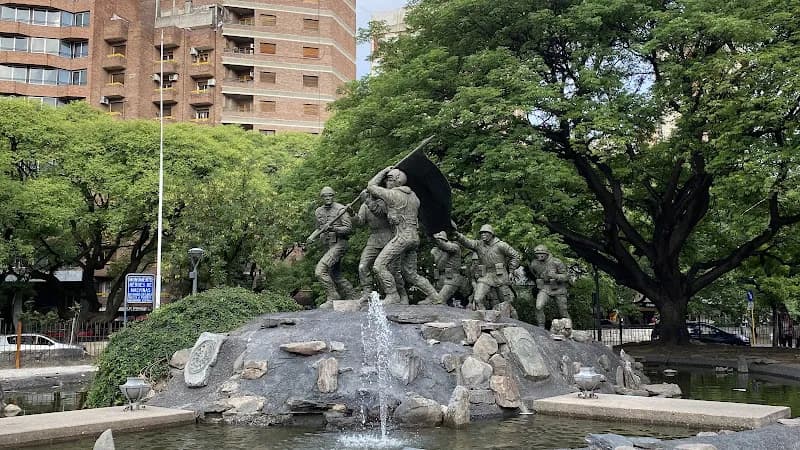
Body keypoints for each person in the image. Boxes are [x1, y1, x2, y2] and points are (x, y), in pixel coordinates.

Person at [366, 167, 442, 305]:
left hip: (402, 237)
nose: (386, 183)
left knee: (379, 265)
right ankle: (435, 297)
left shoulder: (394, 195)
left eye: (389, 179)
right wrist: (370, 201)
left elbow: (371, 186)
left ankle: (392, 295)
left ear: (396, 181)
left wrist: (383, 171)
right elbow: (383, 211)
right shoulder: (414, 197)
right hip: (414, 238)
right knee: (410, 274)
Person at [353, 191, 408, 305]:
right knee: (362, 266)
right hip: (374, 239)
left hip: (389, 238)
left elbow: (380, 213)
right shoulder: (364, 206)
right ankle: (367, 293)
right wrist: (352, 215)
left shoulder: (384, 202)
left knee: (393, 270)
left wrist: (368, 201)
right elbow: (360, 222)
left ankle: (402, 295)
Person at [307, 186, 355, 308]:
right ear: (321, 197)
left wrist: (333, 228)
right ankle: (352, 296)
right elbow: (319, 228)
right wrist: (311, 237)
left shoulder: (341, 210)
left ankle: (333, 296)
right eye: (325, 196)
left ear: (334, 196)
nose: (328, 198)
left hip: (340, 244)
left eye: (330, 195)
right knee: (335, 274)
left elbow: (348, 229)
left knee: (320, 271)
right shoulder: (318, 211)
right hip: (328, 245)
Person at [454, 224, 521, 310]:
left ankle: (512, 319)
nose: (483, 235)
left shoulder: (501, 245)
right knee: (477, 299)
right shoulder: (478, 244)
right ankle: (483, 317)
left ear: (491, 234)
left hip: (500, 275)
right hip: (486, 275)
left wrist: (511, 270)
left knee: (506, 302)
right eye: (481, 233)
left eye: (485, 233)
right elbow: (467, 242)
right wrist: (458, 235)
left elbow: (515, 256)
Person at [528, 244, 571, 327]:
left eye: (541, 253)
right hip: (545, 287)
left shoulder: (556, 262)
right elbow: (535, 274)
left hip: (558, 288)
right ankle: (541, 328)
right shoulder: (534, 264)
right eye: (537, 254)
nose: (539, 256)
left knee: (563, 311)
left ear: (546, 253)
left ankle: (568, 329)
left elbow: (566, 276)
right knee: (539, 306)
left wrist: (556, 276)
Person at [431, 231, 469, 307]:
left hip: (452, 278)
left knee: (439, 301)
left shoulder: (454, 247)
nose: (438, 242)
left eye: (439, 240)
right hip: (440, 278)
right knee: (432, 301)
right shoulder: (435, 251)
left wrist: (433, 236)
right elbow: (439, 266)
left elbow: (446, 247)